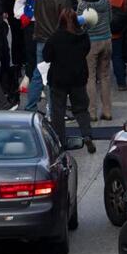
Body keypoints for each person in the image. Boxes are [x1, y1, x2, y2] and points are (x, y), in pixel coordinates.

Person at [43, 9, 97, 153]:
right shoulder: (83, 37)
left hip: (58, 78)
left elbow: (46, 56)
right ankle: (87, 135)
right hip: (78, 77)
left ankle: (60, 141)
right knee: (81, 109)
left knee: (58, 112)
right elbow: (86, 51)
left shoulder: (55, 37)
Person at [25, 0, 74, 112]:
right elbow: (67, 23)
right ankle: (54, 110)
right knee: (54, 77)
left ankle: (30, 107)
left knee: (38, 74)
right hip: (55, 41)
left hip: (40, 37)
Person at [75, 0, 112, 120]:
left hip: (91, 42)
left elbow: (80, 25)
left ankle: (92, 112)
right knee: (105, 76)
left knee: (90, 77)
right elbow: (110, 18)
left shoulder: (83, 4)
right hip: (107, 40)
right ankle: (107, 111)